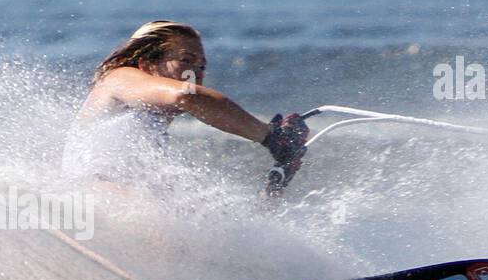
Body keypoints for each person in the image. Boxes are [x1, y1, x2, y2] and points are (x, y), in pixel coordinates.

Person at [61, 21, 308, 192]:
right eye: (186, 61)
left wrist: (279, 180)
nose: (196, 73)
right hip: (90, 199)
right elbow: (187, 96)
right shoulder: (119, 79)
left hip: (124, 214)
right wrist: (272, 138)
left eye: (202, 67)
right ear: (147, 63)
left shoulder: (153, 141)